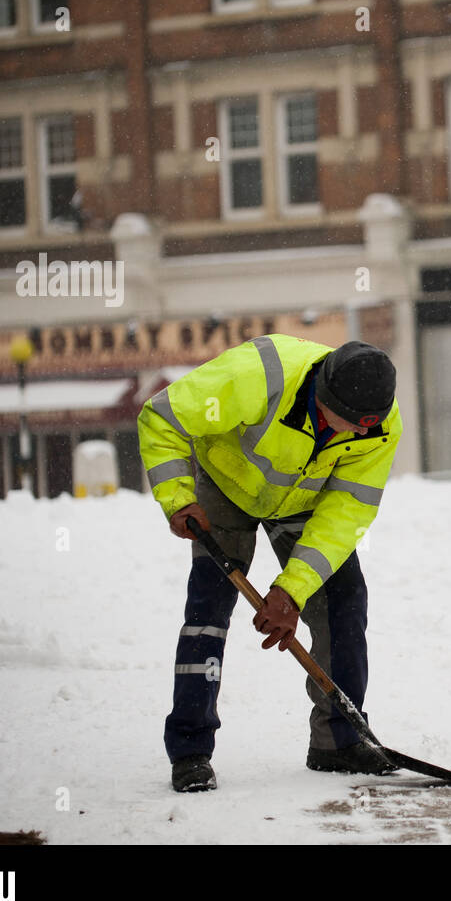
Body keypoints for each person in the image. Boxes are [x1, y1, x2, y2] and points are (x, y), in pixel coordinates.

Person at [138, 335, 402, 791]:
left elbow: (346, 512)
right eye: (345, 424)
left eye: (364, 428)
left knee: (343, 599)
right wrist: (178, 498)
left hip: (303, 502)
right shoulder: (258, 374)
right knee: (208, 611)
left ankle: (337, 741)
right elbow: (162, 416)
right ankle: (191, 750)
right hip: (223, 486)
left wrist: (291, 590)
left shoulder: (377, 426)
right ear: (322, 394)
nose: (355, 436)